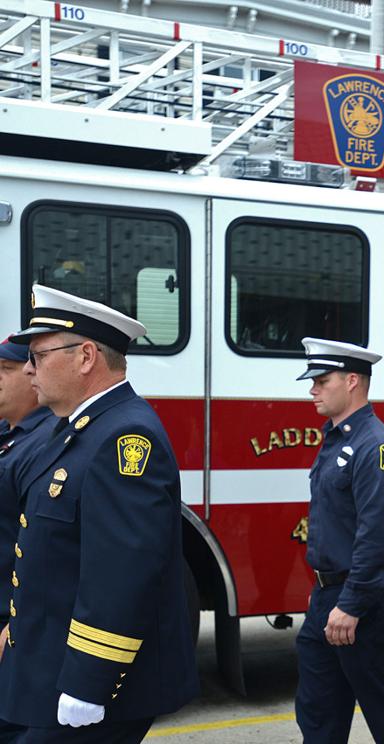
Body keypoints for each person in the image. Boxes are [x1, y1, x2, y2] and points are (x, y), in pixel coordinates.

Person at [0, 284, 198, 742]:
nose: (28, 369)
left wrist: (90, 683)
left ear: (86, 356)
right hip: (49, 663)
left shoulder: (125, 438)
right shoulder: (75, 430)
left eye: (39, 354)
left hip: (97, 686)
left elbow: (121, 577)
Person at [293, 338, 384, 743]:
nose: (312, 388)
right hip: (327, 597)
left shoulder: (377, 447)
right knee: (317, 711)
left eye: (322, 379)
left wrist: (350, 605)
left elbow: (376, 537)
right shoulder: (337, 438)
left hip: (362, 601)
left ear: (353, 381)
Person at [0, 336, 55, 742]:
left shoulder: (44, 443)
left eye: (3, 371)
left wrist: (13, 626)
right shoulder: (10, 433)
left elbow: (43, 550)